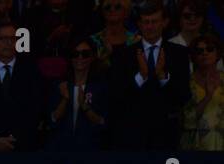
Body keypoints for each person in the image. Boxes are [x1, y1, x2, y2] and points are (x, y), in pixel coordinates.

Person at [108, 0, 190, 149]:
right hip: (132, 135)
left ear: (164, 23)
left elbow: (183, 95)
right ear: (139, 24)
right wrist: (141, 76)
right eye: (146, 22)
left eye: (154, 21)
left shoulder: (180, 53)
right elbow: (116, 96)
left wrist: (163, 77)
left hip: (166, 134)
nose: (150, 26)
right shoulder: (123, 55)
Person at [0, 19, 45, 151]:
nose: (9, 43)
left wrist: (15, 138)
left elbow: (36, 108)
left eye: (13, 38)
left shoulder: (32, 71)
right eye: (3, 38)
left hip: (23, 146)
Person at [45, 37, 108, 151]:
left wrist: (85, 107)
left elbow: (103, 122)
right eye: (75, 53)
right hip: (60, 148)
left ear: (92, 57)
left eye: (85, 54)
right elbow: (52, 119)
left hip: (91, 149)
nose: (80, 58)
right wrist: (64, 99)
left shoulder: (101, 87)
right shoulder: (59, 85)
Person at [182, 35, 224, 151]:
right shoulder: (186, 83)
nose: (205, 53)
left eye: (210, 49)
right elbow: (187, 121)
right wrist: (208, 96)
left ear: (218, 53)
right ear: (193, 56)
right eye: (199, 51)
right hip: (196, 147)